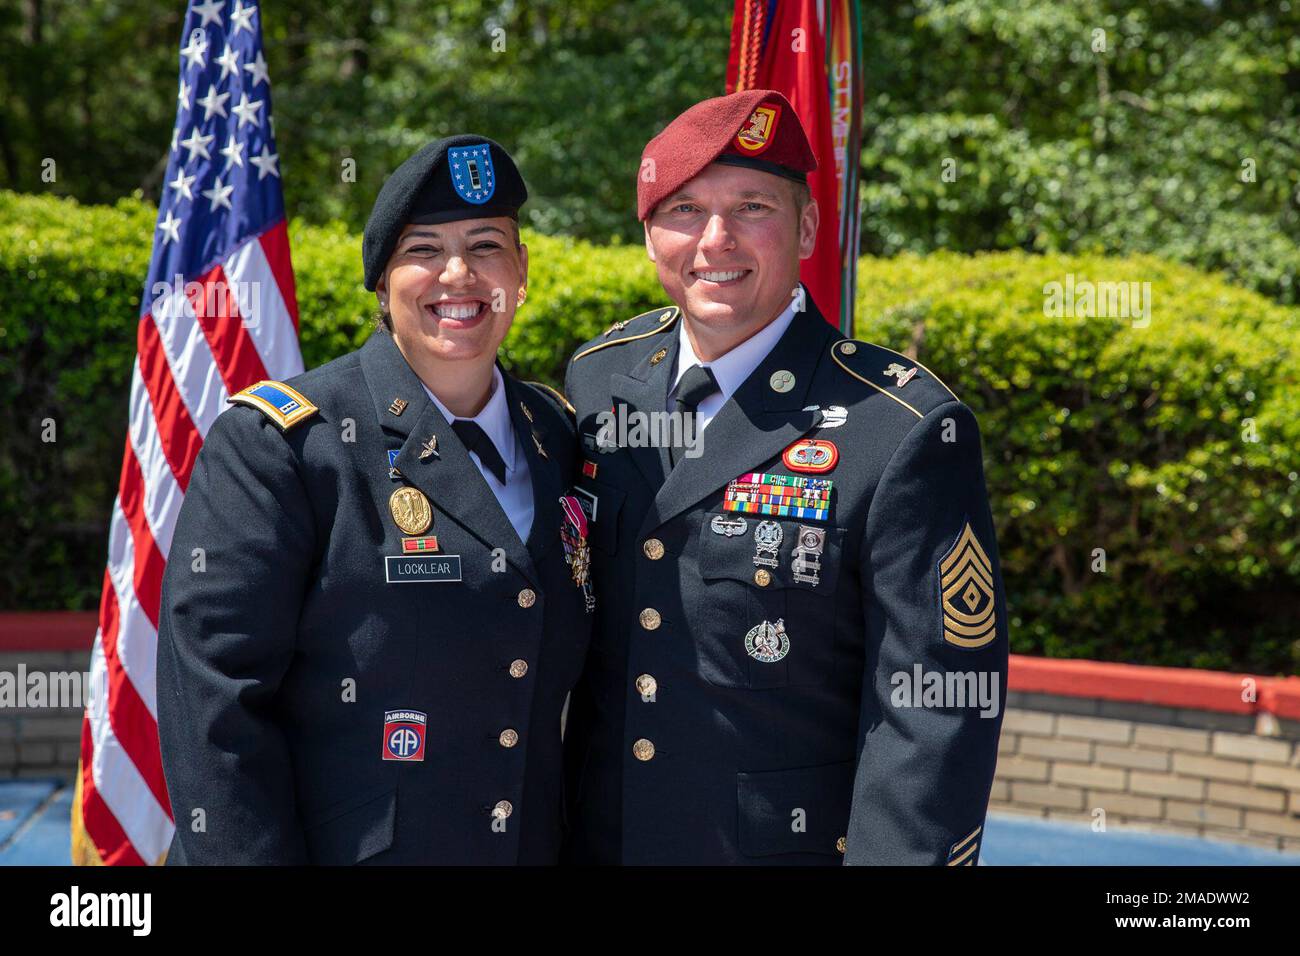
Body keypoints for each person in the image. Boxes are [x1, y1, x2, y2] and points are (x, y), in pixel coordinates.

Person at [561, 91, 1008, 865]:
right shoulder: (602, 378)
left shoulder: (900, 427)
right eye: (684, 209)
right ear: (648, 236)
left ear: (805, 228)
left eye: (751, 206)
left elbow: (935, 709)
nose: (715, 240)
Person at [156, 135, 593, 865]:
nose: (459, 273)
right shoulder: (285, 445)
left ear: (520, 273)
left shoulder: (554, 433)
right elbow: (214, 706)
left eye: (487, 246)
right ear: (384, 281)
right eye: (424, 249)